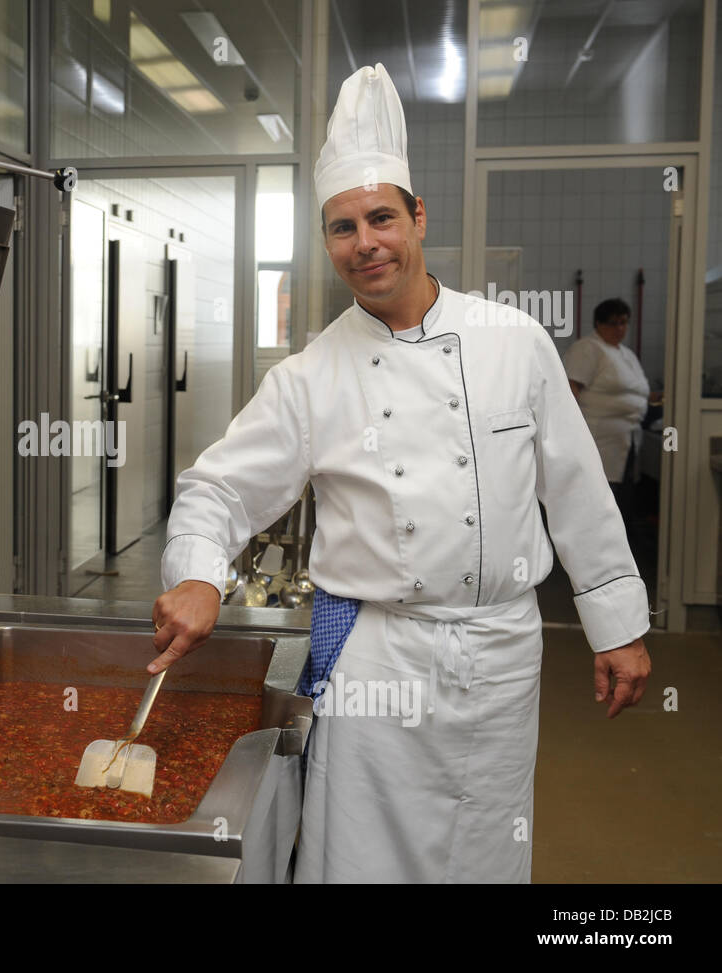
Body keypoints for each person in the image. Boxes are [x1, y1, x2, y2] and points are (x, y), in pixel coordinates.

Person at [149, 63, 651, 883]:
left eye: (380, 217)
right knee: (361, 858)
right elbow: (217, 490)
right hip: (377, 662)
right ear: (326, 241)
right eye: (342, 227)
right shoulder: (312, 375)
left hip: (500, 650)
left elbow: (577, 492)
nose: (365, 243)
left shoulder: (513, 341)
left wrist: (618, 624)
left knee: (486, 848)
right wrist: (201, 573)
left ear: (419, 216)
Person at [563, 298, 660, 528]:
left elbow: (634, 392)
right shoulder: (588, 348)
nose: (620, 329)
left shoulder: (625, 353)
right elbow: (570, 389)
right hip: (599, 437)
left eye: (624, 323)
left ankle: (619, 548)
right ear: (599, 323)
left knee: (621, 495)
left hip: (627, 438)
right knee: (598, 496)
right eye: (614, 323)